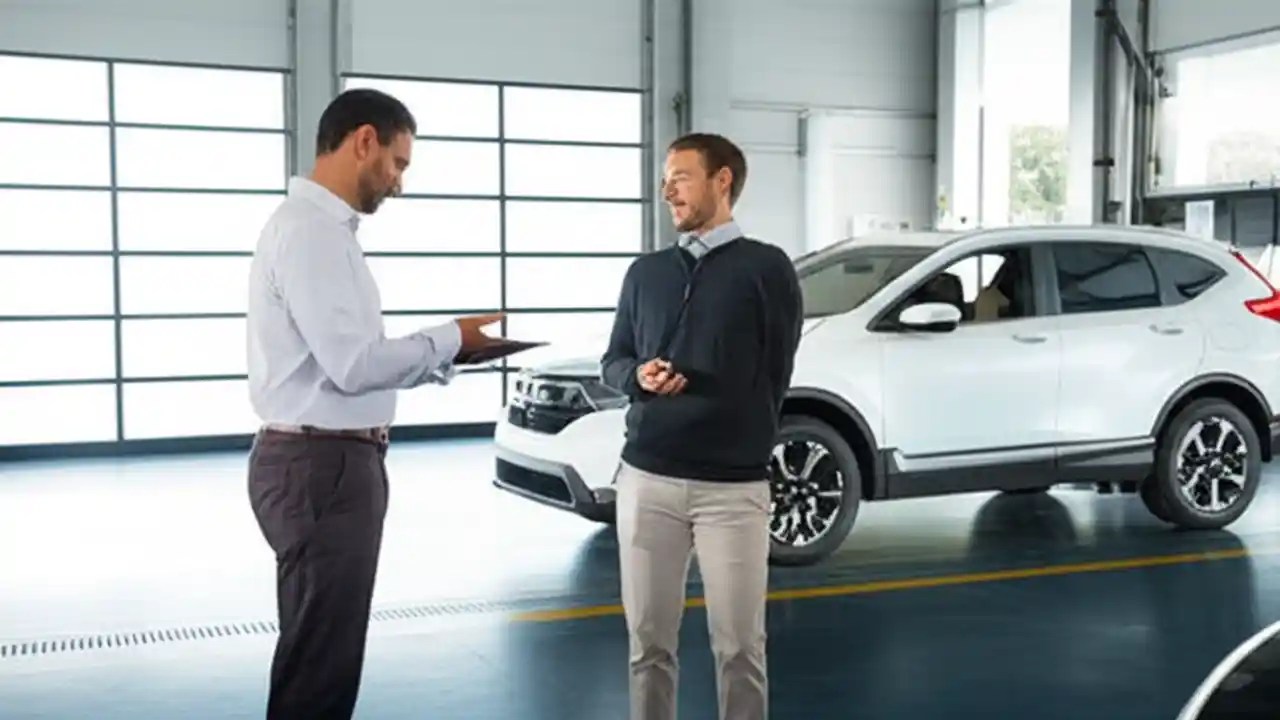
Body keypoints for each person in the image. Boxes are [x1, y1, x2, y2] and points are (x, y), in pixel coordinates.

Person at [244, 88, 502, 719]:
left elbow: (348, 358)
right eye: (398, 163)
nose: (398, 183)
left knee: (318, 649)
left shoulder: (315, 230)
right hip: (323, 468)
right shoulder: (312, 233)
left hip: (319, 462)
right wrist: (449, 337)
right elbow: (353, 365)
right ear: (364, 141)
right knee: (321, 665)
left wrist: (445, 356)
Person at [601, 132, 804, 720]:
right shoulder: (645, 273)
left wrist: (721, 413)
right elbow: (613, 360)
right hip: (647, 482)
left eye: (682, 176)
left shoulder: (767, 269)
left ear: (723, 181)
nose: (668, 188)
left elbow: (775, 373)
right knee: (648, 645)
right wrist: (640, 376)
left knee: (740, 646)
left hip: (732, 490)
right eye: (665, 177)